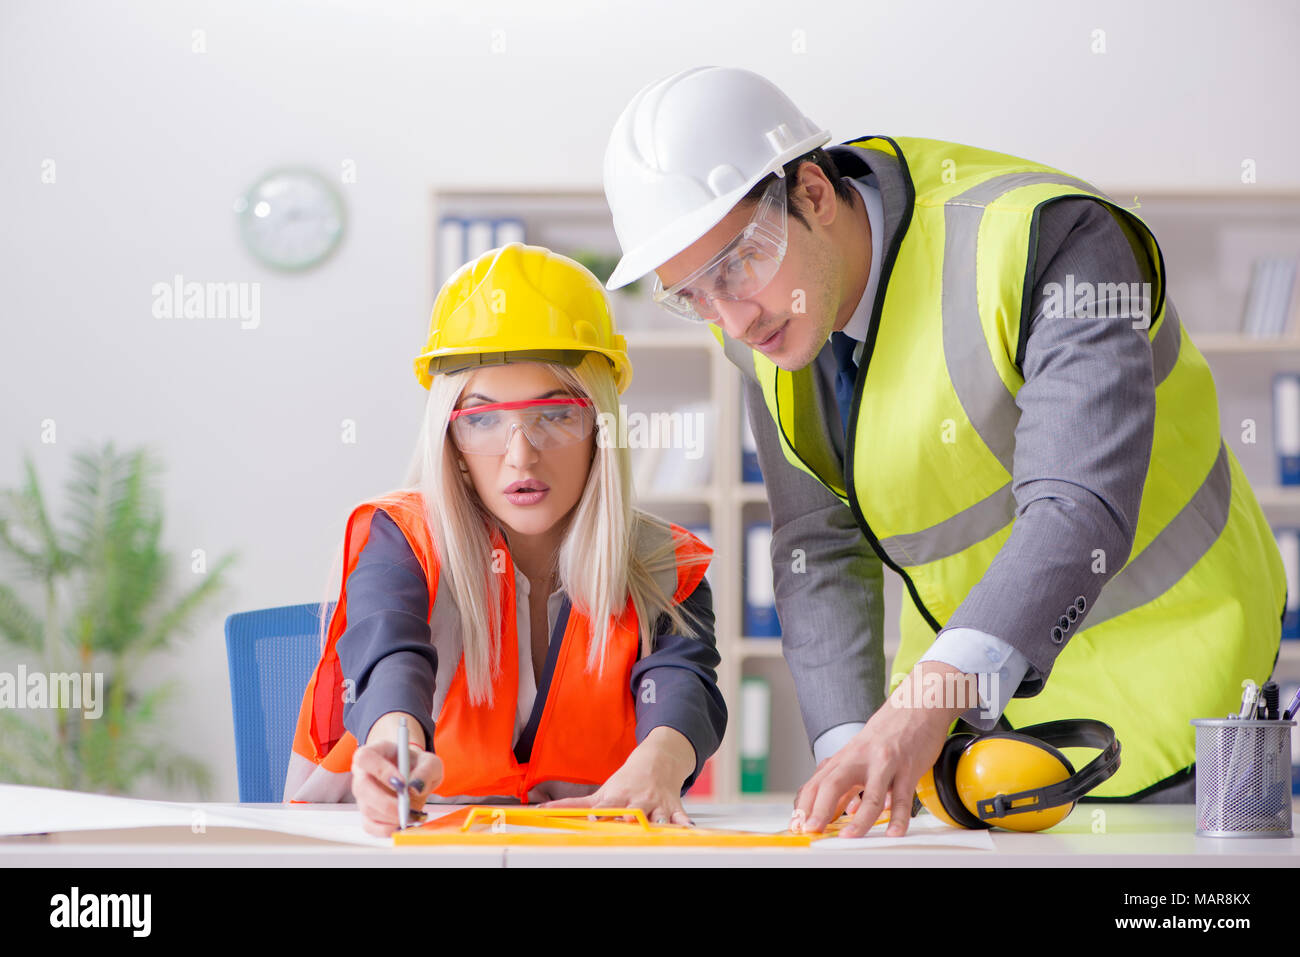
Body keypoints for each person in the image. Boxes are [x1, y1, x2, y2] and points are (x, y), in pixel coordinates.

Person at [601, 66, 1286, 836]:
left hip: (1175, 716)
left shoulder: (1052, 241)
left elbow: (1079, 503)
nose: (731, 318)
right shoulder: (766, 330)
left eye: (737, 264)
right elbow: (818, 546)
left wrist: (927, 700)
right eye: (693, 294)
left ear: (814, 195)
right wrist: (851, 747)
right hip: (963, 748)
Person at [285, 243, 726, 836]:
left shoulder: (665, 563)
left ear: (600, 429)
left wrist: (660, 764)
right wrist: (397, 746)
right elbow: (390, 652)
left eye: (556, 413)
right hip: (389, 841)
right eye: (483, 418)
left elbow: (682, 681)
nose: (521, 455)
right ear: (452, 442)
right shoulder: (402, 540)